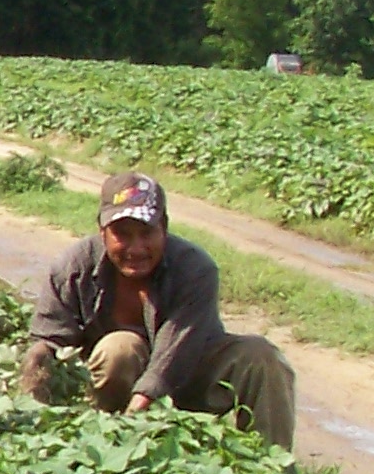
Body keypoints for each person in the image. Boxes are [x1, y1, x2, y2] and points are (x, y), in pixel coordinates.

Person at [22, 173, 297, 448]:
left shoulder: (195, 268)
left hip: (188, 373)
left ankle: (271, 466)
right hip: (110, 387)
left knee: (262, 357)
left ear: (164, 227)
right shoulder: (74, 266)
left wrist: (140, 407)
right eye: (122, 235)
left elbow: (176, 348)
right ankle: (106, 441)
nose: (136, 248)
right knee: (121, 348)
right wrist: (36, 372)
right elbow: (50, 337)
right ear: (102, 231)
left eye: (146, 233)